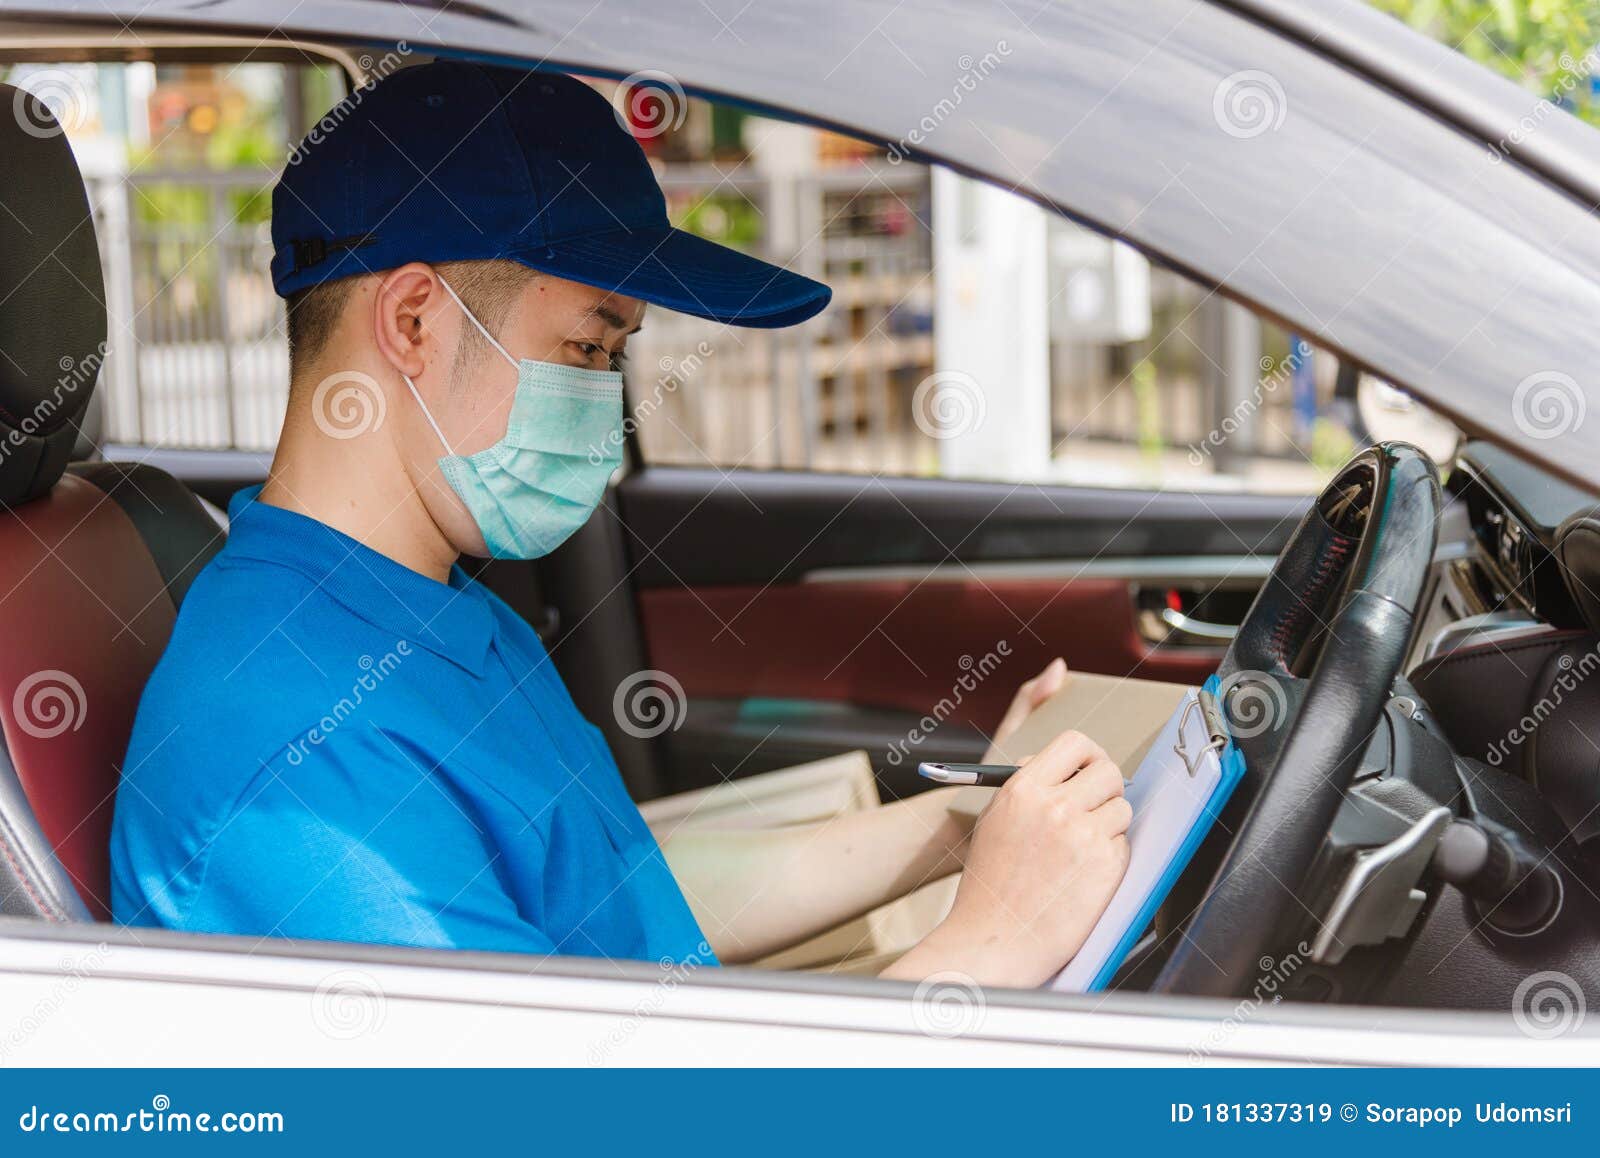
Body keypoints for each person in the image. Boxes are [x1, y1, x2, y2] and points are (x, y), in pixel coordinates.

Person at [110, 62, 1130, 989]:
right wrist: (989, 947)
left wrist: (967, 826)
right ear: (413, 322)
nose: (606, 405)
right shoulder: (296, 757)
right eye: (588, 350)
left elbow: (614, 902)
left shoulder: (435, 610)